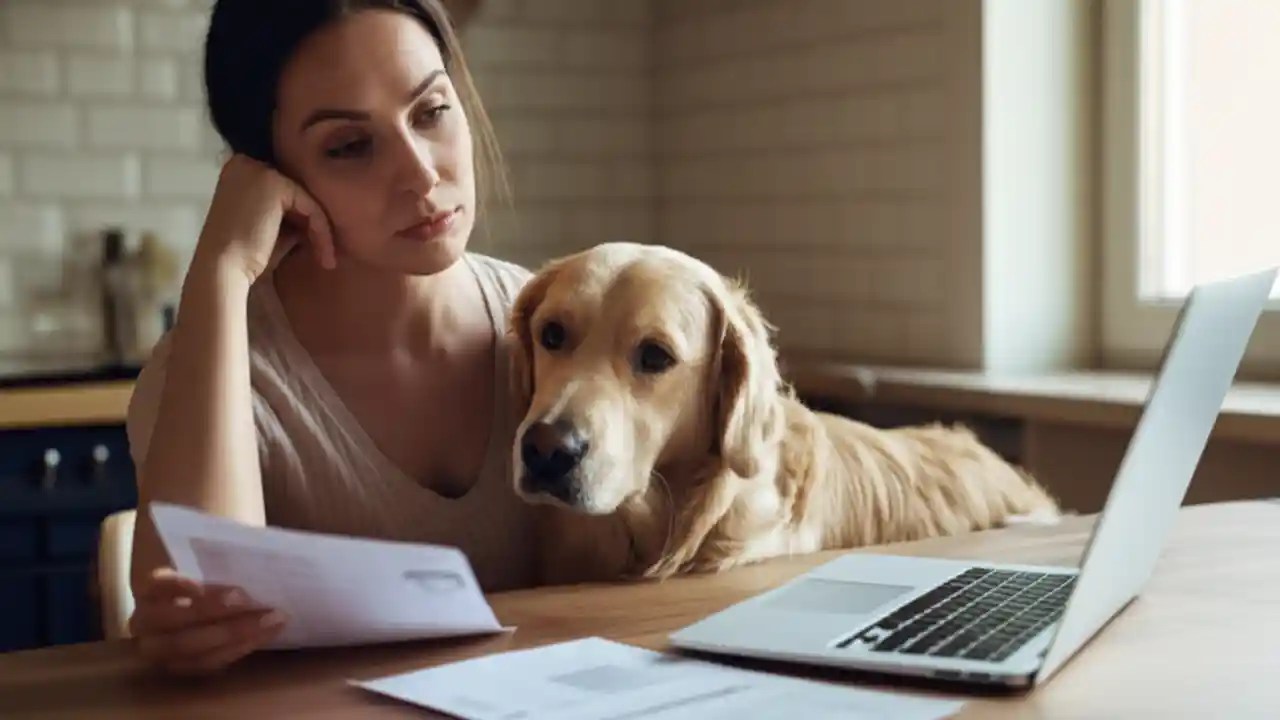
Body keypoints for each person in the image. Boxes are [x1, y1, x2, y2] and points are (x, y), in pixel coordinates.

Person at [123, 0, 539, 676]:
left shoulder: (557, 324)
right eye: (350, 146)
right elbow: (207, 613)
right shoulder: (214, 368)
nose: (421, 173)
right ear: (273, 175)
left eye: (432, 111)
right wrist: (223, 271)